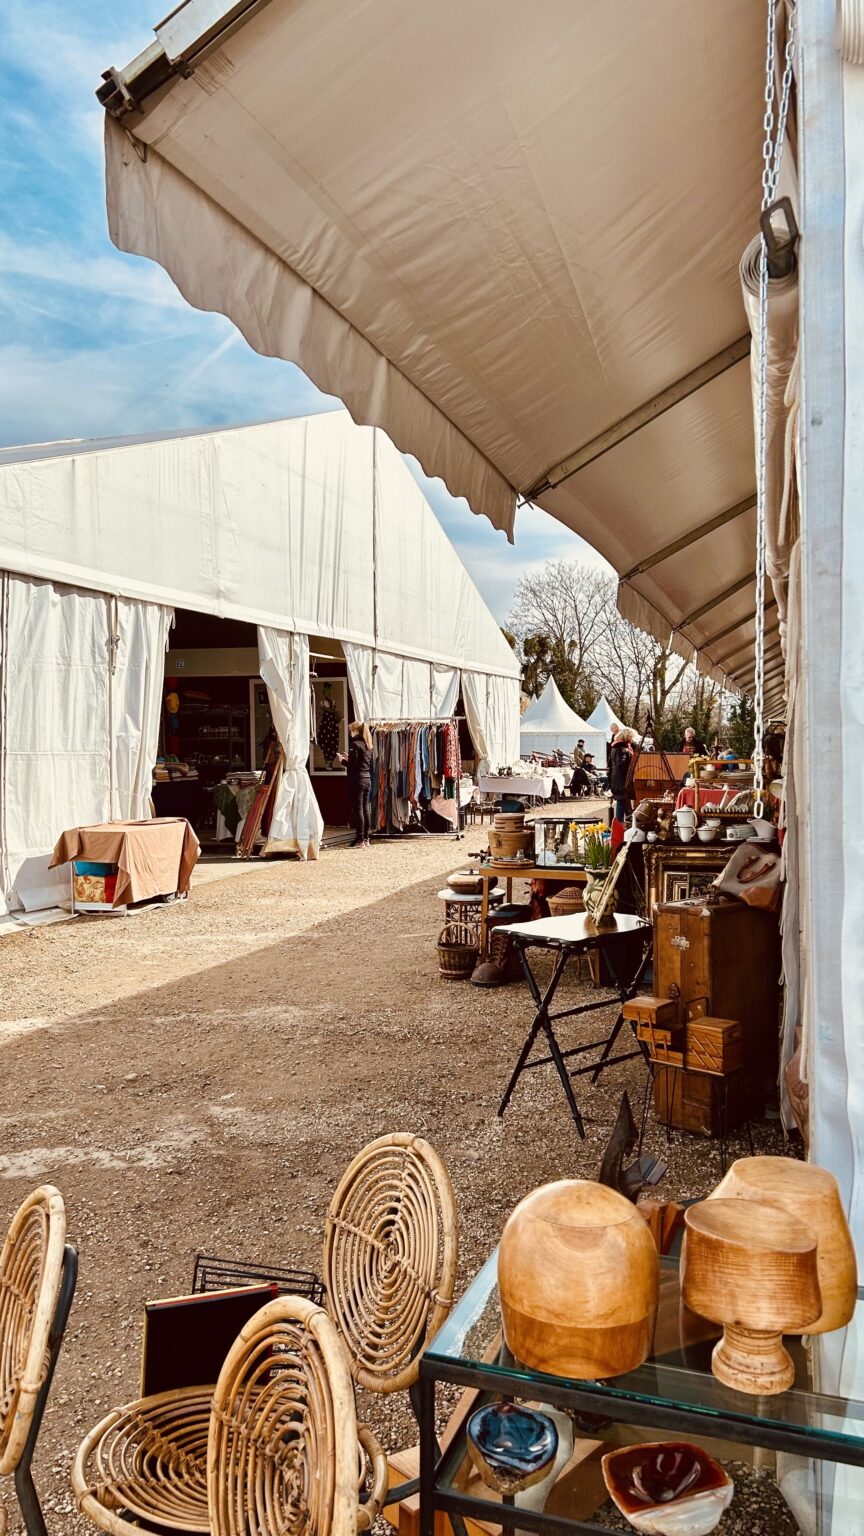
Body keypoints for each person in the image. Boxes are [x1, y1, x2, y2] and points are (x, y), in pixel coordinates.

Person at [340, 721, 373, 847]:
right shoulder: (368, 745)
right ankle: (366, 838)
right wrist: (350, 757)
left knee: (358, 809)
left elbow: (352, 766)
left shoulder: (355, 744)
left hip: (357, 780)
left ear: (356, 731)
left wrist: (342, 761)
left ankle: (360, 839)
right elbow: (361, 762)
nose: (350, 733)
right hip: (367, 779)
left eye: (351, 730)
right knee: (365, 809)